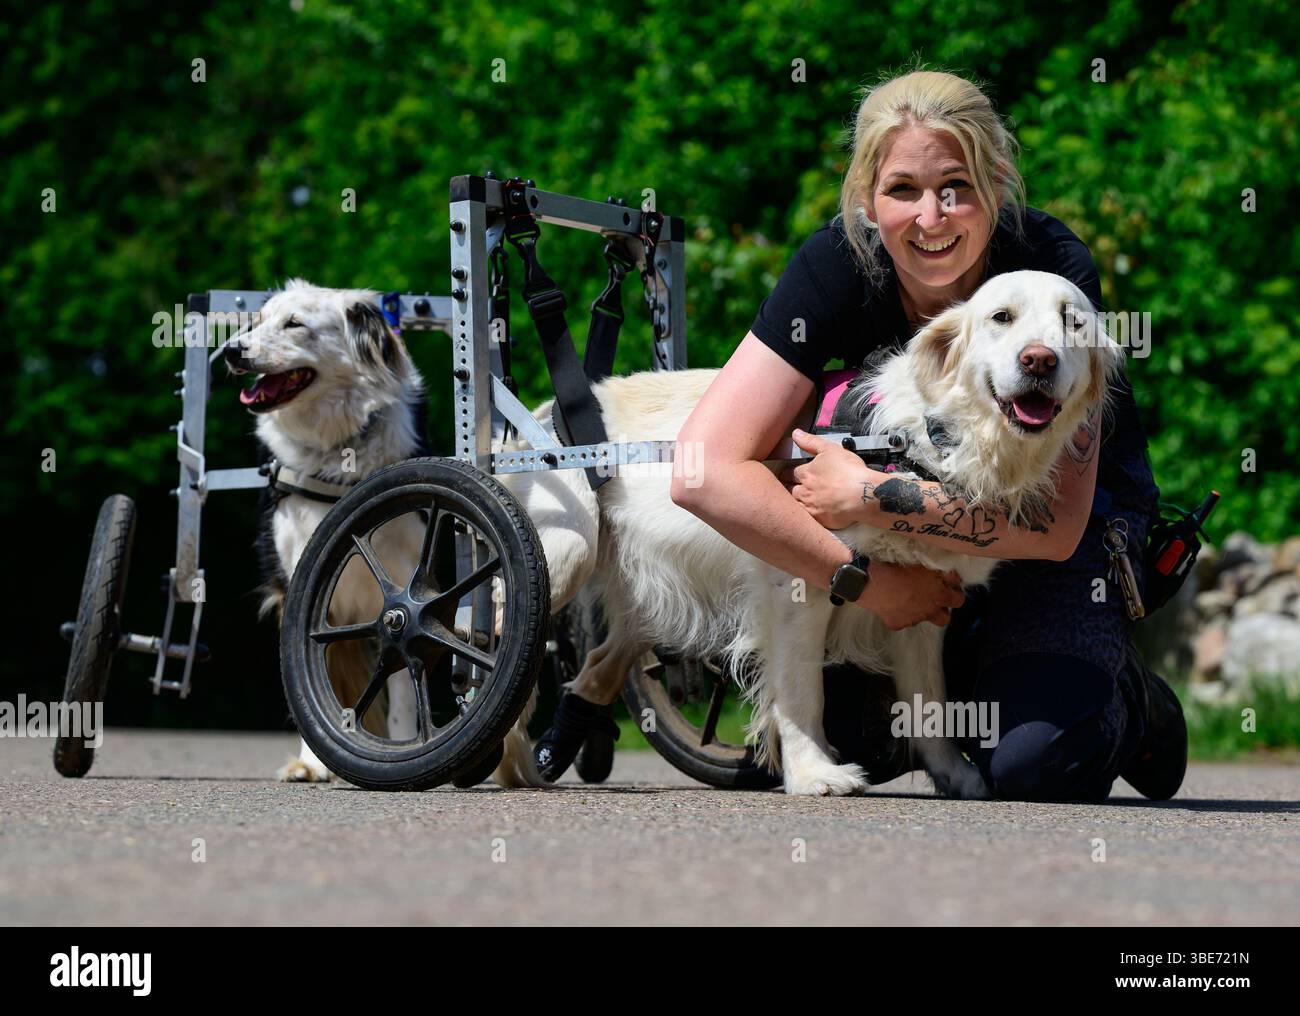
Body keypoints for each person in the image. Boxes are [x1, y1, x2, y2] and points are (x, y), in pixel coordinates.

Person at [668, 68, 1186, 802]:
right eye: (903, 189)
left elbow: (1055, 531)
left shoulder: (1053, 275)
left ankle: (1131, 702)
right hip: (901, 552)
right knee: (853, 745)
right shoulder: (833, 269)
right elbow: (700, 467)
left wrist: (879, 496)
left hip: (1061, 533)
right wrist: (871, 582)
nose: (932, 217)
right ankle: (971, 673)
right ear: (867, 199)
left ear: (997, 187)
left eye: (958, 187)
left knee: (1033, 765)